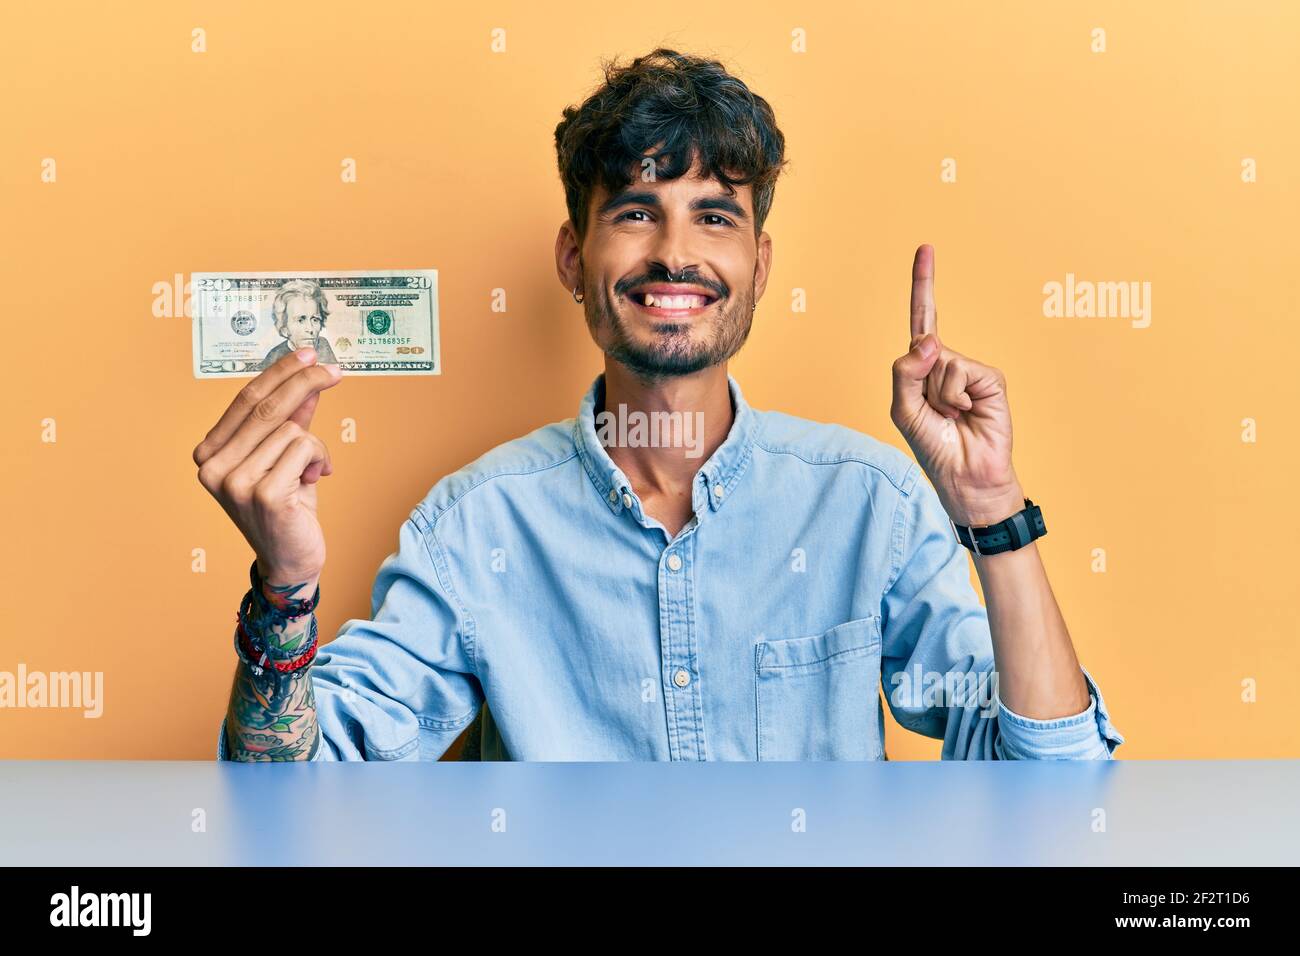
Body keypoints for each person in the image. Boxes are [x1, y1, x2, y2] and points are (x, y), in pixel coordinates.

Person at [193, 48, 1123, 762]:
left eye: (715, 215)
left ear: (759, 267)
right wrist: (284, 590)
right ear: (573, 256)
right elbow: (291, 795)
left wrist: (994, 512)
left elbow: (1053, 779)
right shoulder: (475, 530)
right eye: (636, 211)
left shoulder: (867, 504)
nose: (675, 254)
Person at [258, 279, 338, 370]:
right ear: (284, 329)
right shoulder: (274, 357)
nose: (310, 329)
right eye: (300, 320)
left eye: (315, 320)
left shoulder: (322, 345)